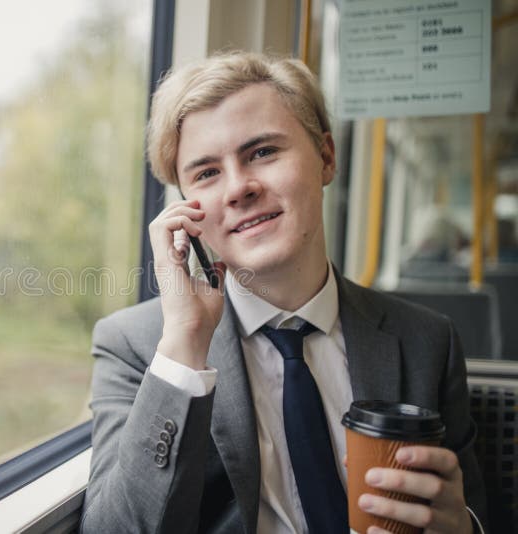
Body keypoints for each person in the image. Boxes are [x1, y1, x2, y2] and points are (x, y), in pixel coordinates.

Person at [80, 52, 487, 533]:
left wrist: (464, 527)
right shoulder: (136, 347)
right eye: (206, 173)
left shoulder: (426, 341)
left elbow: (479, 514)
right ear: (188, 210)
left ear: (326, 158)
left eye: (263, 152)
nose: (238, 188)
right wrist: (186, 343)